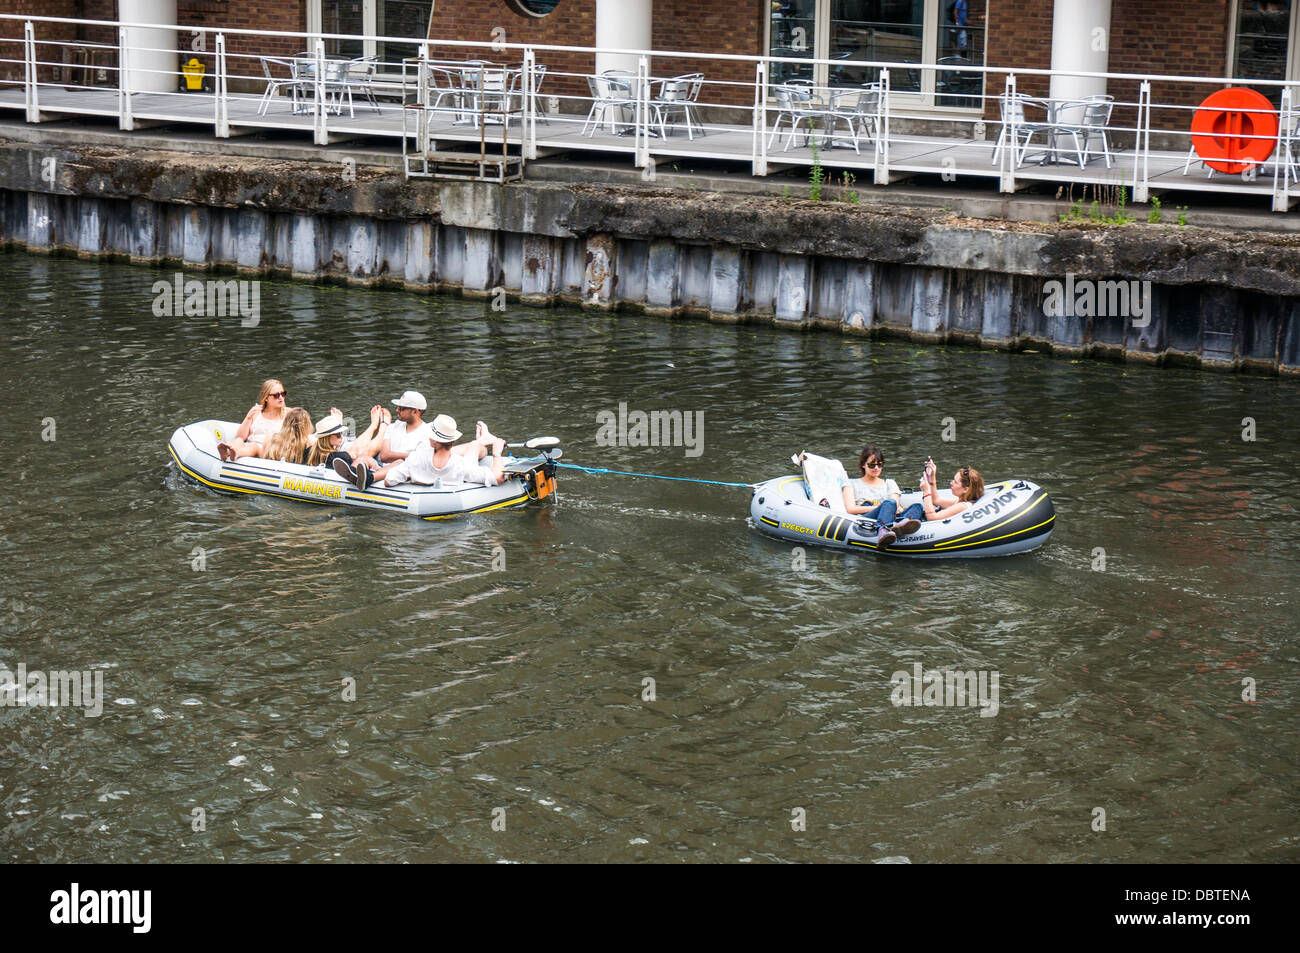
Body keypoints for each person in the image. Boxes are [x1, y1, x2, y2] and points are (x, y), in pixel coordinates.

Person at [357, 414, 506, 490]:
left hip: (421, 481)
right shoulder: (461, 465)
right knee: (473, 447)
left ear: (433, 440)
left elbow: (389, 482)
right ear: (452, 440)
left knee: (474, 446)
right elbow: (498, 478)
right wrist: (497, 453)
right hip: (459, 472)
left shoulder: (415, 459)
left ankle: (481, 440)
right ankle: (483, 440)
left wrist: (410, 479)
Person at [839, 444, 925, 550]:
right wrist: (881, 507)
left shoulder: (889, 483)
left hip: (891, 514)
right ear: (863, 465)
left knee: (918, 506)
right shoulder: (851, 483)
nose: (876, 468)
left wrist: (887, 508)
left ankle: (900, 525)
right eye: (872, 465)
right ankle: (883, 531)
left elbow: (896, 504)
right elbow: (851, 509)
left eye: (879, 465)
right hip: (867, 517)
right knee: (889, 503)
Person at [217, 379, 287, 461]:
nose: (281, 398)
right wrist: (248, 417)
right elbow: (241, 436)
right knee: (238, 440)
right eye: (276, 395)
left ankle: (237, 453)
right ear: (266, 398)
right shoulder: (256, 412)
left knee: (254, 446)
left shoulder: (288, 414)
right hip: (250, 446)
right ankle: (227, 451)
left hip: (269, 450)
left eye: (283, 394)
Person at [305, 405, 391, 469]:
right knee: (362, 454)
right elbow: (359, 451)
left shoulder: (311, 451)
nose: (341, 436)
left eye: (342, 433)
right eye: (338, 434)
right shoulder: (335, 457)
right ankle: (379, 427)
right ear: (327, 438)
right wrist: (383, 426)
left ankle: (373, 426)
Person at [920, 457, 986, 520]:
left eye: (955, 482)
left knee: (917, 508)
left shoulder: (962, 506)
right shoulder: (960, 501)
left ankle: (909, 523)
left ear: (965, 489)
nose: (951, 483)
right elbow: (936, 500)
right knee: (917, 507)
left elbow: (932, 517)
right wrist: (932, 475)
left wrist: (926, 491)